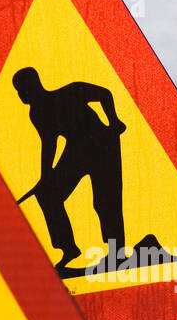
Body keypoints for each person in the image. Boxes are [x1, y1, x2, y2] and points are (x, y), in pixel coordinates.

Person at [12, 66, 126, 270]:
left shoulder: (71, 92)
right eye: (18, 91)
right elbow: (49, 144)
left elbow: (105, 94)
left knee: (105, 201)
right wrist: (45, 176)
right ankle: (68, 248)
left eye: (22, 90)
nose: (21, 95)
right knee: (47, 195)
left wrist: (114, 121)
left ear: (34, 86)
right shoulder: (37, 112)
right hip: (76, 150)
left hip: (102, 144)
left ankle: (117, 254)